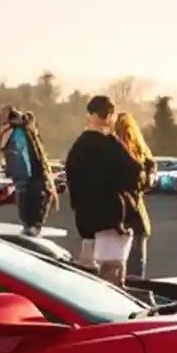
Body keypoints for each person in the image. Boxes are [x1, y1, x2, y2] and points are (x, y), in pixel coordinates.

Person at [65, 96, 143, 286]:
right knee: (113, 273)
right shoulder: (110, 144)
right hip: (112, 216)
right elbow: (134, 172)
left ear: (89, 115)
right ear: (109, 115)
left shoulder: (77, 148)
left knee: (89, 274)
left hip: (86, 220)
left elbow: (72, 181)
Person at [0, 106, 58, 236]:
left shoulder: (15, 135)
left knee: (30, 229)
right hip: (38, 187)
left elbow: (22, 167)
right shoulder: (25, 132)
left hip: (31, 190)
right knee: (33, 228)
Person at [112, 111, 155, 278]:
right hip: (135, 215)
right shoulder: (141, 156)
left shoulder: (110, 151)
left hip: (113, 216)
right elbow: (147, 183)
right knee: (136, 266)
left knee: (113, 266)